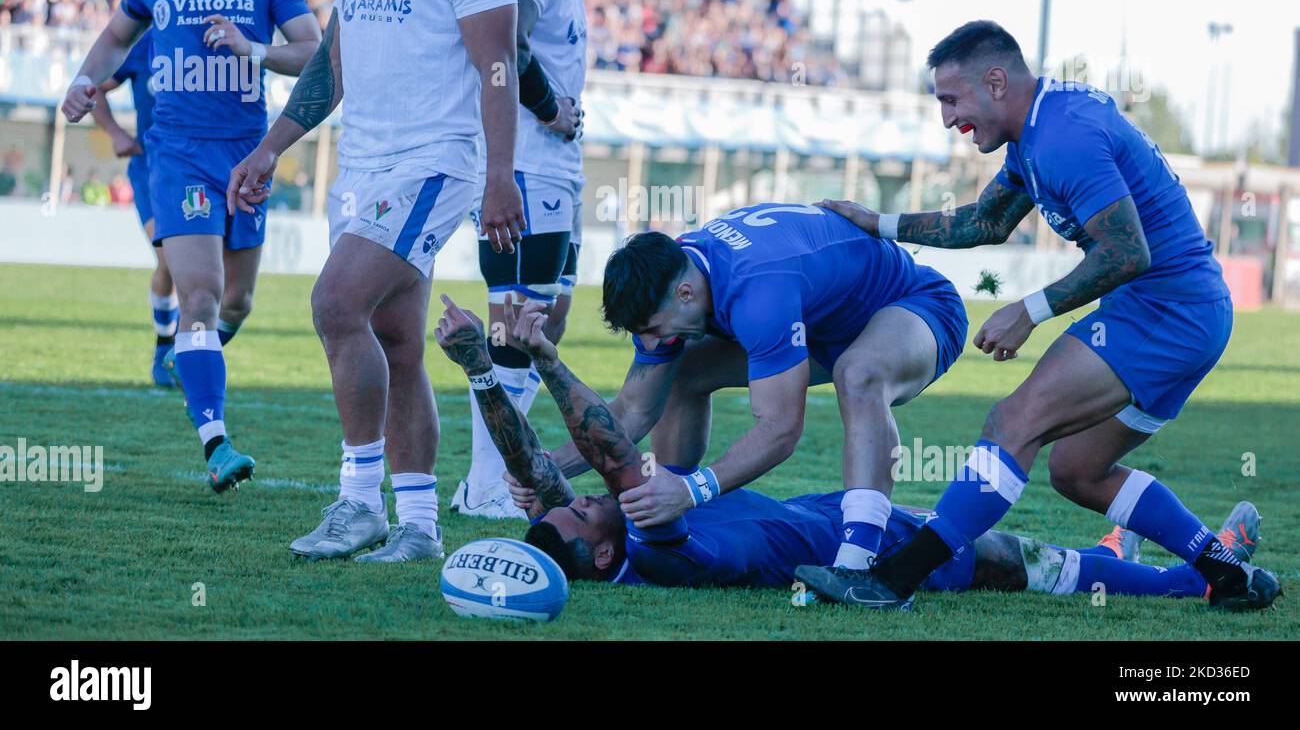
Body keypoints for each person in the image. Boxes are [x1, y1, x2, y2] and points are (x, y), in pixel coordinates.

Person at [797, 20, 1280, 611]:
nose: (948, 118)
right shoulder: (1039, 132)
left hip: (1166, 312)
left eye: (952, 100)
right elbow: (984, 222)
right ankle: (1224, 571)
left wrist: (1029, 311)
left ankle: (893, 580)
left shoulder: (1063, 136)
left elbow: (1128, 251)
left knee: (1011, 423)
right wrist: (879, 223)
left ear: (996, 81)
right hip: (1187, 314)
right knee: (1079, 470)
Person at [434, 294, 1261, 602]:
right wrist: (541, 356)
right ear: (607, 544)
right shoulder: (659, 540)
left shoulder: (610, 536)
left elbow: (536, 473)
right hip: (863, 545)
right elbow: (610, 449)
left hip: (825, 517)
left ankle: (1138, 554)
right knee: (1018, 558)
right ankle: (1190, 580)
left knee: (1033, 546)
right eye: (583, 512)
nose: (578, 499)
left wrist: (480, 369)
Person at [228, 0, 524, 563]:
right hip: (361, 167)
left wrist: (500, 177)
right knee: (395, 342)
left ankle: (357, 503)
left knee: (335, 303)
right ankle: (420, 526)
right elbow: (334, 63)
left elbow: (499, 70)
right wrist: (272, 146)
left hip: (436, 163)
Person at [60, 0, 320, 492]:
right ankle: (216, 441)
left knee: (239, 300)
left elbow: (315, 53)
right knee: (198, 296)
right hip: (176, 155)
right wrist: (83, 82)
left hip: (246, 156)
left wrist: (251, 47)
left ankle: (191, 357)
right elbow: (117, 38)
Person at [580, 201, 967, 576]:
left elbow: (781, 430)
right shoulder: (681, 274)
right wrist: (545, 467)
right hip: (830, 323)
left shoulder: (757, 290)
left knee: (859, 375)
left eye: (651, 329)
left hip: (919, 303)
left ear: (684, 294)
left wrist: (693, 489)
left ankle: (857, 559)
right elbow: (631, 411)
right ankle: (670, 514)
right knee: (683, 370)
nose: (649, 344)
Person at [453, 0, 616, 518]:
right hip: (525, 164)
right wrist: (552, 108)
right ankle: (491, 482)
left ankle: (491, 476)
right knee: (515, 322)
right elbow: (501, 41)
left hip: (554, 168)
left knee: (546, 317)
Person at [89, 30, 179, 387]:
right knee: (171, 259)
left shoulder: (203, 39)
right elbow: (94, 87)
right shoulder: (145, 43)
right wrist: (115, 133)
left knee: (200, 270)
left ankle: (184, 351)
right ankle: (165, 347)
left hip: (197, 169)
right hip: (150, 170)